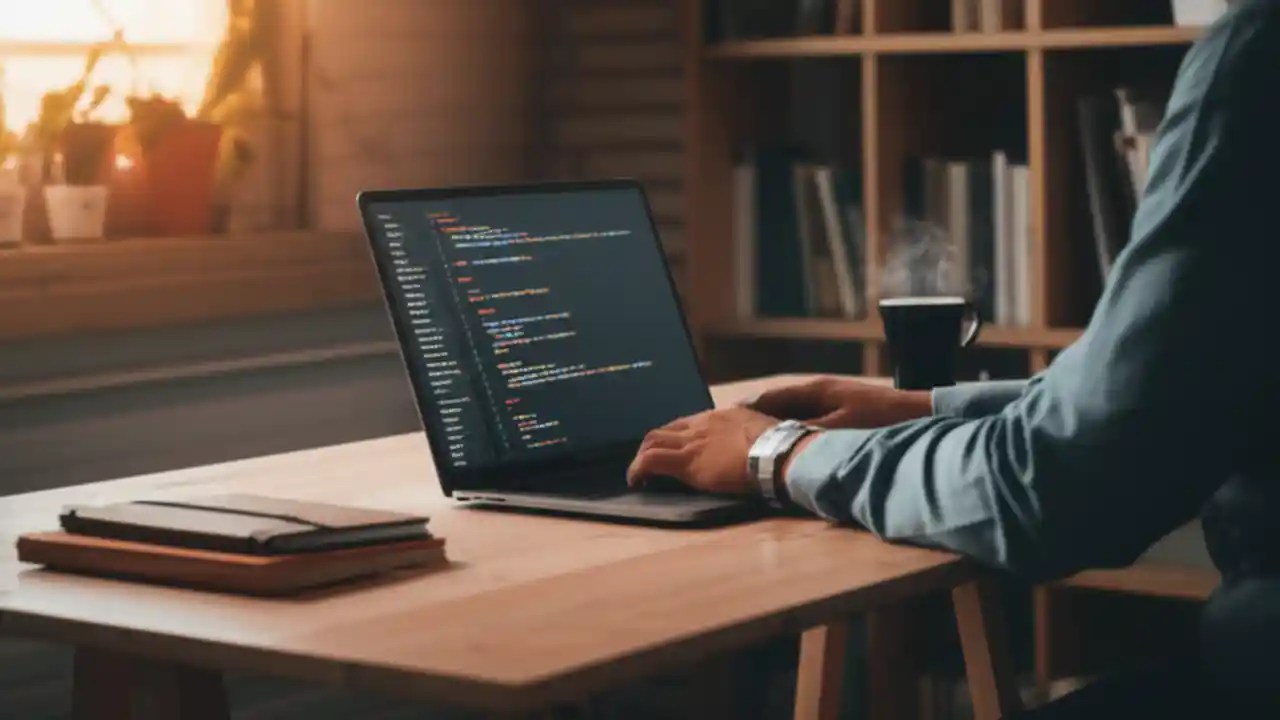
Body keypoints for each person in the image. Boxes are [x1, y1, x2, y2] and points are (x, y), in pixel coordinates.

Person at [628, 0, 1280, 716]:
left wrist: (777, 455)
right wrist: (922, 407)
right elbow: (1166, 399)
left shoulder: (1258, 57)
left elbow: (1054, 489)